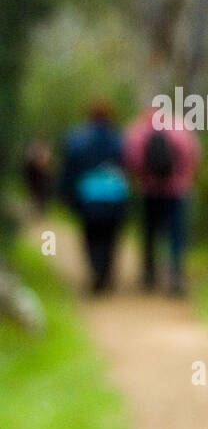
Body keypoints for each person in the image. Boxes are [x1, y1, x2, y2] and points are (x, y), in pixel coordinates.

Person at [124, 105, 200, 295]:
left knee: (150, 233)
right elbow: (194, 155)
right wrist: (185, 177)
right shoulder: (180, 128)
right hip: (178, 191)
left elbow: (131, 159)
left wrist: (142, 178)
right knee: (176, 234)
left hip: (150, 190)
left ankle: (149, 274)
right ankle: (175, 274)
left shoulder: (140, 130)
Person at [58, 102, 130, 294]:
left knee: (91, 235)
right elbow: (128, 165)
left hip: (88, 194)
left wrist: (65, 194)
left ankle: (97, 270)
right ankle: (106, 273)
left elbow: (69, 169)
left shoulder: (77, 139)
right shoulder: (117, 138)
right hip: (115, 195)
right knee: (111, 237)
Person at [21, 139, 53, 214]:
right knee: (34, 191)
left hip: (41, 175)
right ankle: (34, 207)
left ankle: (39, 209)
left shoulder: (44, 151)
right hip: (34, 175)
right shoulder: (34, 150)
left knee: (40, 191)